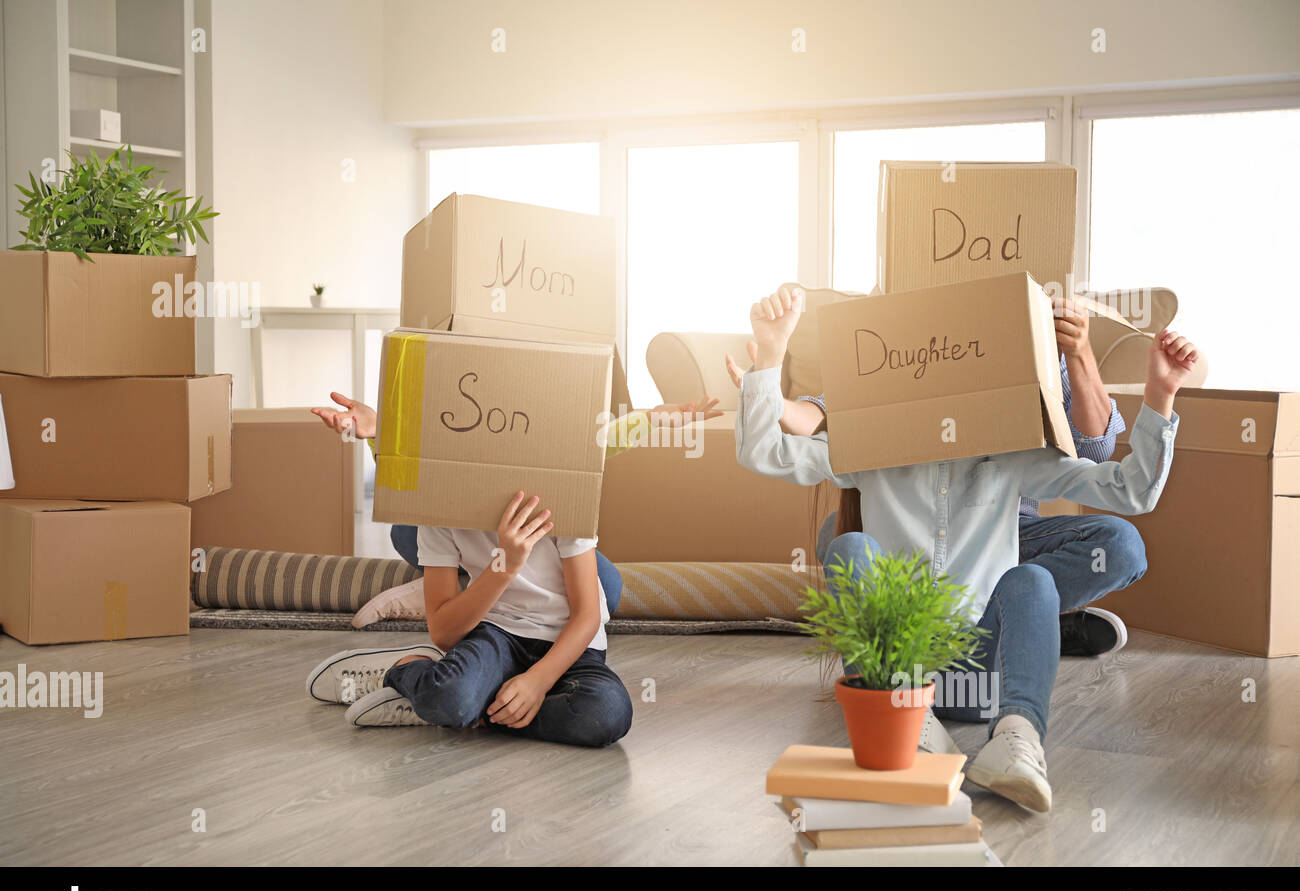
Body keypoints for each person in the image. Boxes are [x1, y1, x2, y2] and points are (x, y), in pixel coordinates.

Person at [735, 285, 1199, 811]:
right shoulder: (876, 445)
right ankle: (907, 719)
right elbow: (765, 452)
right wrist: (770, 353)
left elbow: (1130, 491)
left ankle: (1017, 740)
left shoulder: (1011, 453)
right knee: (848, 546)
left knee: (1032, 580)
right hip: (902, 666)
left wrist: (1160, 397)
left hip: (981, 669)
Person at [726, 292, 1142, 660]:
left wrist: (1079, 351)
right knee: (839, 538)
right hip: (915, 524)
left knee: (1119, 545)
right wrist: (767, 386)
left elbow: (1094, 450)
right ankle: (1009, 631)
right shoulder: (894, 353)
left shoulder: (1026, 342)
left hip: (1006, 529)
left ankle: (1015, 621)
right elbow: (814, 420)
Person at [310, 391, 720, 626]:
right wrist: (379, 434)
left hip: (528, 537)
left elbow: (592, 442)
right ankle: (449, 592)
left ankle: (462, 591)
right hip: (464, 527)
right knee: (407, 528)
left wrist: (649, 420)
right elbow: (423, 477)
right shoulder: (458, 387)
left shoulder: (543, 393)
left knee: (606, 589)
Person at [307, 489, 634, 745]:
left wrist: (538, 681)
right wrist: (504, 565)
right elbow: (444, 634)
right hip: (498, 635)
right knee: (449, 698)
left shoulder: (562, 498)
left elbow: (587, 616)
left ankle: (469, 709)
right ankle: (406, 670)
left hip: (572, 647)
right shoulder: (439, 512)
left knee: (606, 714)